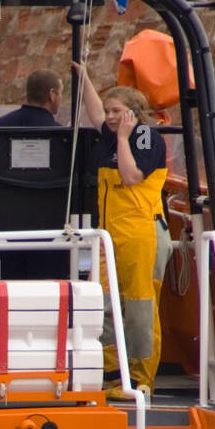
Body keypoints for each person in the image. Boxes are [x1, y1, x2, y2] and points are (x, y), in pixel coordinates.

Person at [72, 62, 168, 397]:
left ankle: (142, 379)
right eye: (110, 111)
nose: (111, 117)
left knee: (140, 306)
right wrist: (83, 76)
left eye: (118, 111)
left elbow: (130, 177)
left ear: (134, 113)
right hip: (109, 235)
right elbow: (95, 111)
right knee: (102, 302)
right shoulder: (111, 134)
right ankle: (114, 375)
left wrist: (124, 138)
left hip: (141, 233)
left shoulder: (142, 136)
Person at [0, 69, 62, 171]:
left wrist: (1, 179)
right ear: (52, 95)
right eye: (61, 93)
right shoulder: (62, 136)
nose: (61, 97)